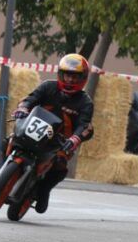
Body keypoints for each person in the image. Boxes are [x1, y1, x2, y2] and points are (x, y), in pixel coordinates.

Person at [11, 53, 95, 213]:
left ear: (83, 78)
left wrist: (74, 139)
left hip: (60, 141)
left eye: (75, 77)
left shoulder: (85, 102)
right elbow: (31, 98)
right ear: (60, 74)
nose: (70, 80)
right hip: (35, 129)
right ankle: (8, 169)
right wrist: (23, 108)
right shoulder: (48, 86)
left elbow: (84, 125)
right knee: (8, 141)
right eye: (67, 75)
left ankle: (44, 189)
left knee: (60, 167)